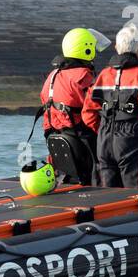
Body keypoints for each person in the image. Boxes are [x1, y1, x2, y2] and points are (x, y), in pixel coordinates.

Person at [83, 24, 138, 189]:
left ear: (116, 48)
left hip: (104, 140)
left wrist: (103, 129)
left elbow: (87, 113)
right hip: (132, 140)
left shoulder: (103, 75)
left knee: (109, 194)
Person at [37, 28, 99, 185]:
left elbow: (46, 111)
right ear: (86, 49)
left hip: (55, 138)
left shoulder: (52, 75)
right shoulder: (83, 76)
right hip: (80, 138)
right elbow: (93, 108)